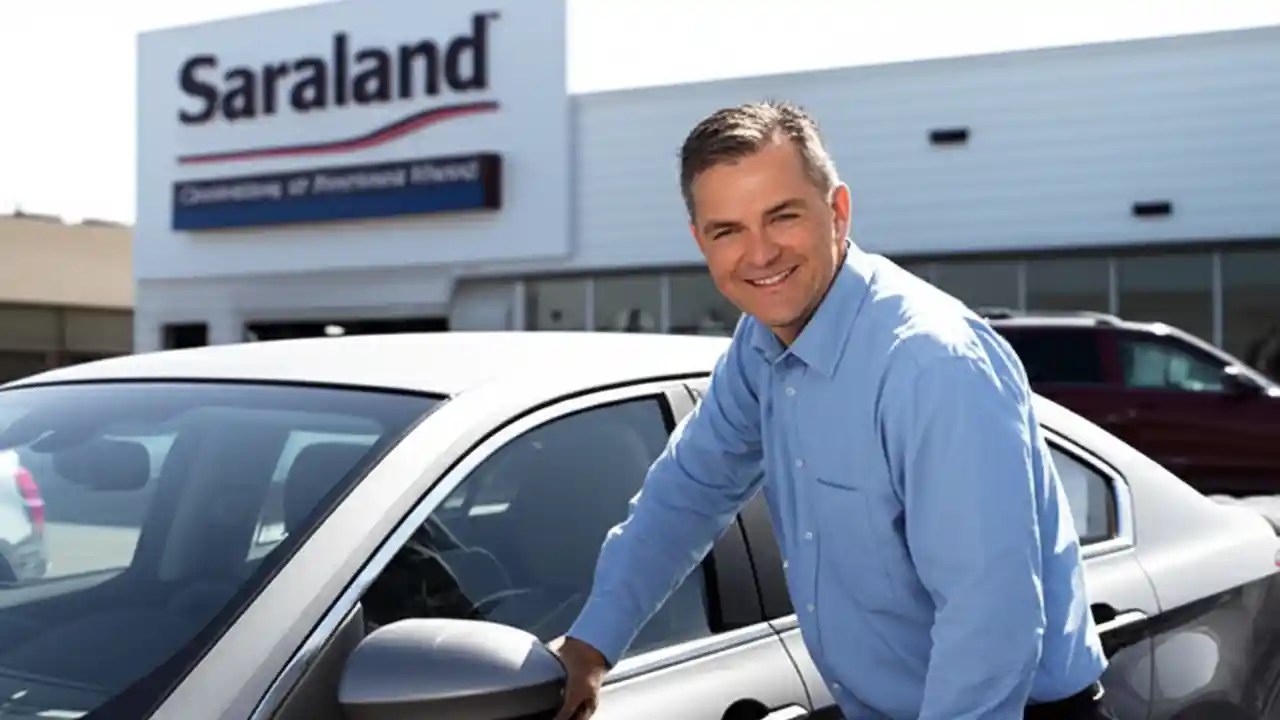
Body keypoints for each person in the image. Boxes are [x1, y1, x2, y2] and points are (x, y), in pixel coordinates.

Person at [550, 101, 1114, 720]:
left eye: (782, 217)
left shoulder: (930, 364)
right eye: (727, 230)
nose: (759, 254)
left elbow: (990, 618)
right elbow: (688, 490)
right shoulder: (759, 346)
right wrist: (591, 644)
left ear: (837, 212)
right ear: (700, 242)